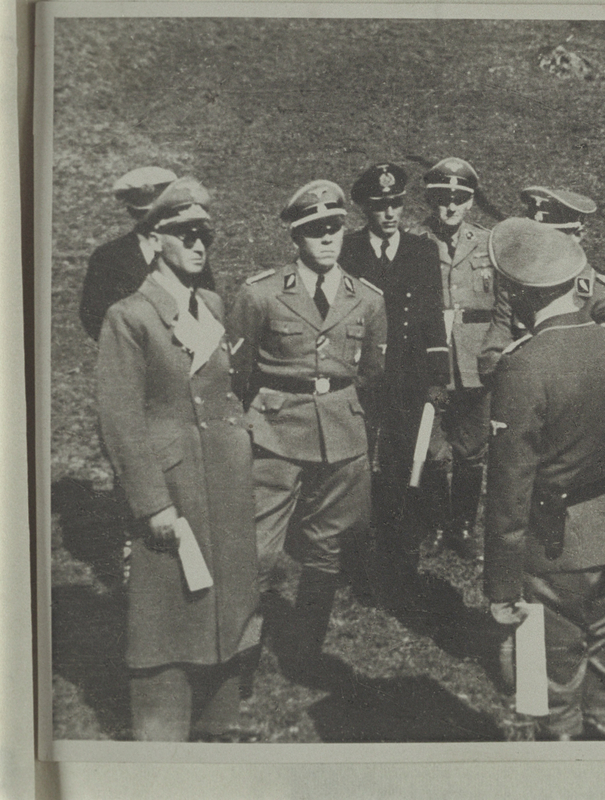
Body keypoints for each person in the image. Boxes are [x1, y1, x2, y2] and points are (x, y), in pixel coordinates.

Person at [483, 217, 605, 741]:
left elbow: (510, 489)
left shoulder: (524, 365)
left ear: (519, 293)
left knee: (549, 673)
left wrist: (501, 585)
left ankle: (560, 749)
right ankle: (604, 732)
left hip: (554, 546)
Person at [96, 177, 258, 741]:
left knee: (224, 599)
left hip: (225, 482)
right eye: (184, 233)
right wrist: (152, 504)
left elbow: (226, 393)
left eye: (205, 235)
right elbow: (120, 419)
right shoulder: (130, 316)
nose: (197, 244)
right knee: (166, 609)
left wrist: (244, 444)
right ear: (153, 239)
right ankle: (160, 736)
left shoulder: (210, 305)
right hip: (173, 488)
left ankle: (216, 726)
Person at [227, 179, 386, 685]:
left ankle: (306, 653)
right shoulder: (261, 293)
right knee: (258, 550)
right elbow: (237, 372)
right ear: (296, 236)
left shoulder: (367, 299)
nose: (328, 238)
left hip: (342, 431)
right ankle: (239, 659)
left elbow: (372, 371)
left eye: (335, 227)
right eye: (316, 230)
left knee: (328, 546)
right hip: (275, 431)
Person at [341, 163, 448, 605]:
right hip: (365, 378)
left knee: (406, 465)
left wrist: (438, 376)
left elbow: (433, 315)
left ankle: (403, 555)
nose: (389, 214)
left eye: (396, 205)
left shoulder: (422, 251)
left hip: (409, 379)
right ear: (365, 209)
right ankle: (359, 555)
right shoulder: (348, 250)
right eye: (380, 206)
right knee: (363, 465)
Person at [412, 157, 495, 559]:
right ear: (431, 201)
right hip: (433, 363)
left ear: (470, 202)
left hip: (475, 364)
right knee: (431, 449)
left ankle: (463, 526)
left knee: (472, 450)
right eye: (442, 198)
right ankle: (433, 525)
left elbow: (503, 306)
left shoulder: (488, 243)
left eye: (459, 199)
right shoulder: (414, 241)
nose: (450, 207)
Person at [478, 185, 605, 380]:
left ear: (578, 236)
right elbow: (489, 358)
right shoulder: (515, 287)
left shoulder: (604, 296)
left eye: (553, 240)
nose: (540, 248)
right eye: (534, 238)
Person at [80, 166, 217, 341]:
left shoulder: (186, 247)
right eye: (143, 214)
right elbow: (93, 315)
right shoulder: (108, 256)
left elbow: (206, 296)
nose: (152, 220)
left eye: (159, 213)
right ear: (131, 212)